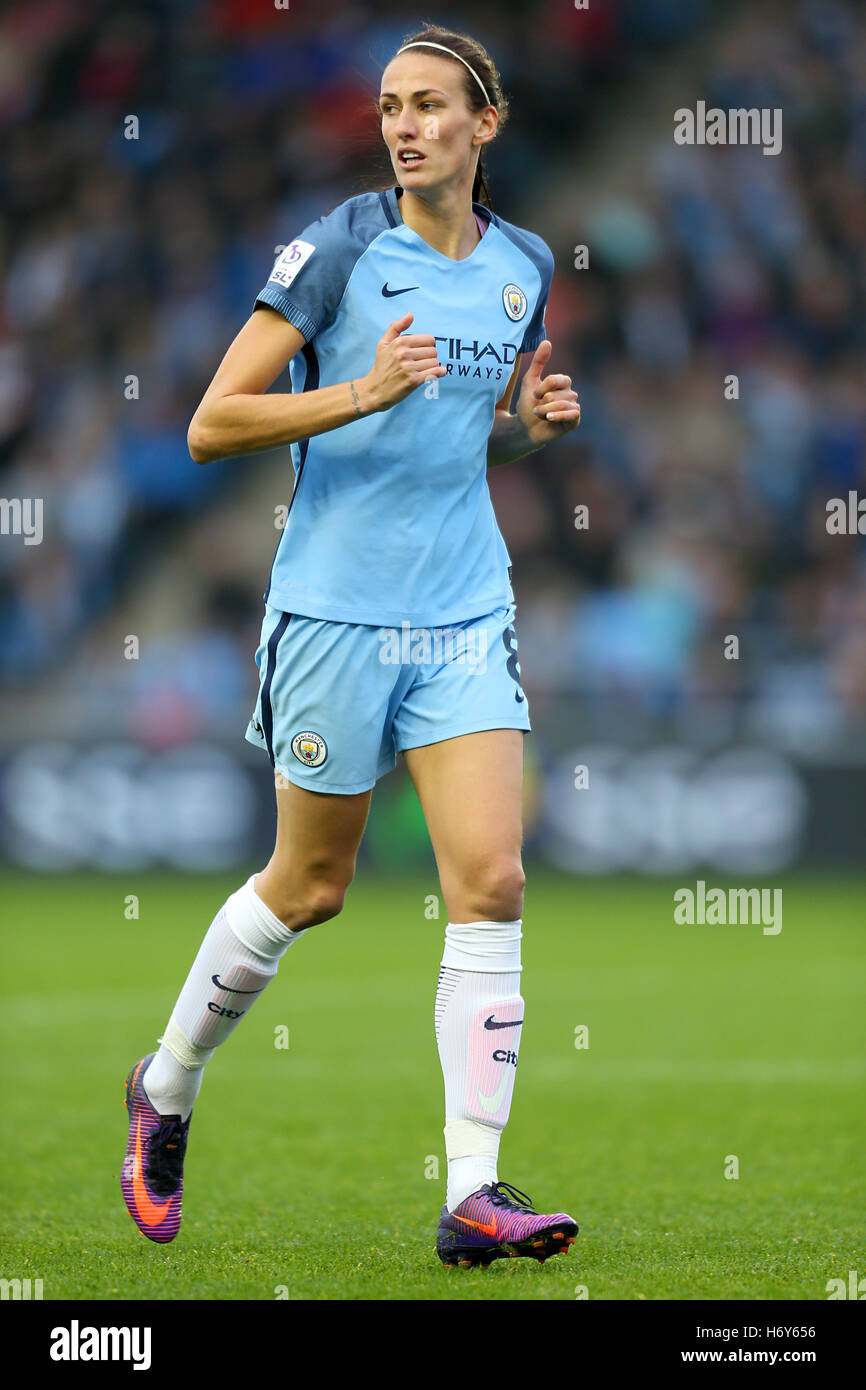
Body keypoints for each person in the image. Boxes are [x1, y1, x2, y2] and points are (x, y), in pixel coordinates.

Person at [121, 24, 581, 1269]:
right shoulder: (336, 248)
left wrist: (525, 431)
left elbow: (462, 436)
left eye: (431, 105)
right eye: (390, 105)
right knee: (310, 888)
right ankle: (163, 1089)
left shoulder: (524, 264)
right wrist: (356, 393)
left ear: (484, 124)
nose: (404, 124)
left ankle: (473, 1189)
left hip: (466, 611)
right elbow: (213, 425)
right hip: (332, 613)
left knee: (489, 879)